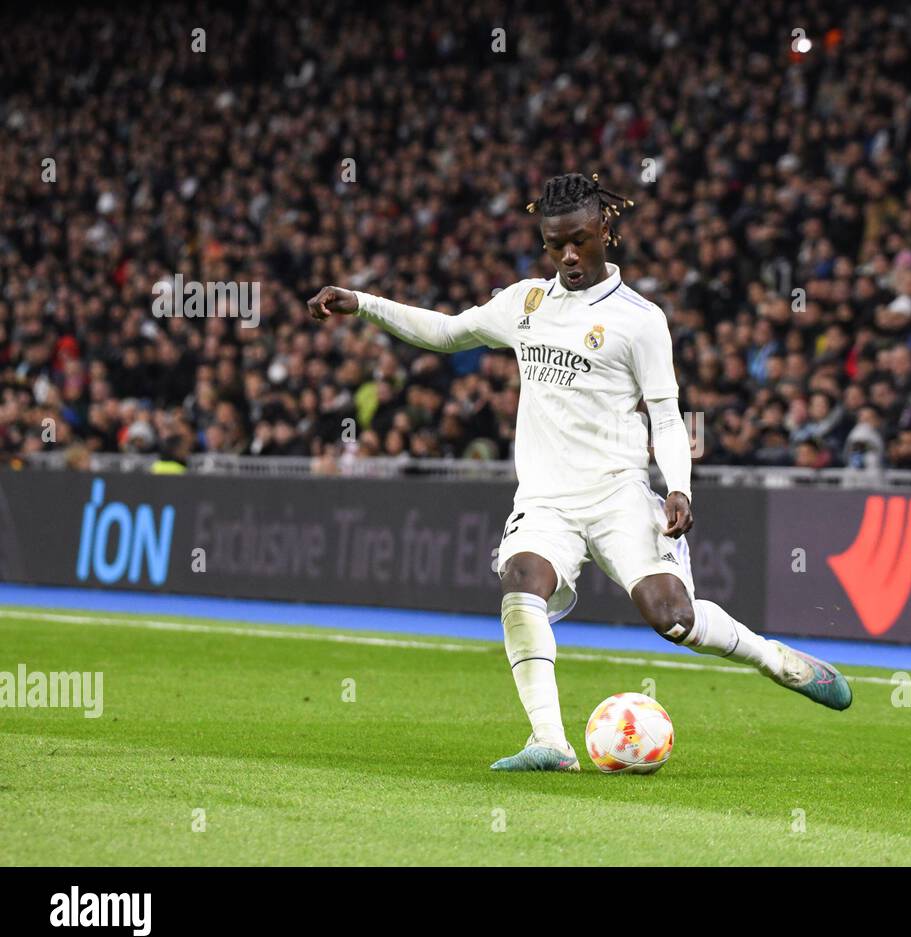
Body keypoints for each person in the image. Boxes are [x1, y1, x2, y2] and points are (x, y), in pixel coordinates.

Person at [306, 173, 851, 772]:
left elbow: (668, 418)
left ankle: (778, 662)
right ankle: (550, 742)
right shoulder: (524, 304)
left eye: (581, 240)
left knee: (672, 617)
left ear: (606, 232)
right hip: (546, 500)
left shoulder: (640, 320)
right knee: (520, 583)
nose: (568, 254)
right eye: (555, 242)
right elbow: (445, 332)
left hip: (618, 492)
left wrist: (677, 487)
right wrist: (363, 304)